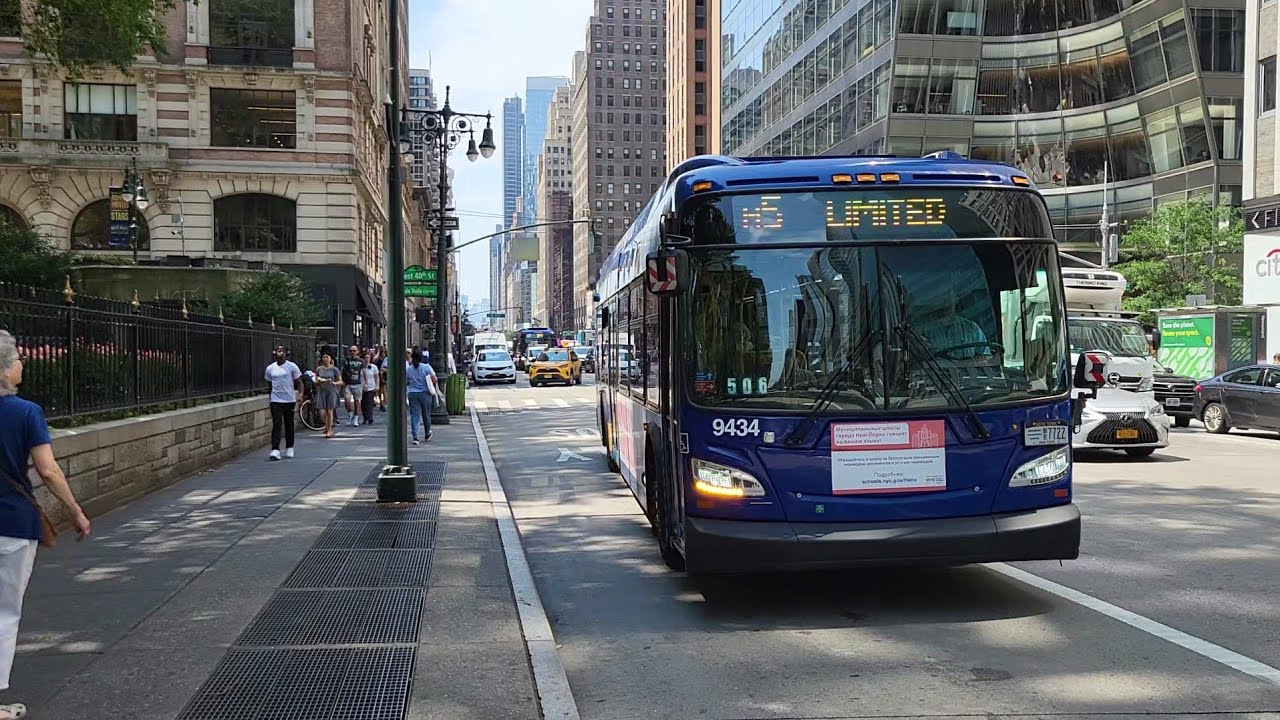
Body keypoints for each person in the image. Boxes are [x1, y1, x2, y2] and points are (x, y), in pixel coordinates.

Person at [0, 331, 91, 719]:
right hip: (11, 524)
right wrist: (75, 511)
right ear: (3, 369)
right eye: (18, 357)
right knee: (4, 612)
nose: (23, 363)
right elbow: (48, 470)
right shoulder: (25, 412)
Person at [918, 289, 990, 360]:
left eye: (949, 299)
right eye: (943, 299)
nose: (946, 304)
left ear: (956, 300)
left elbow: (987, 358)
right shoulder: (924, 330)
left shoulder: (972, 328)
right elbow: (915, 360)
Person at [265, 346, 302, 460]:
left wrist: (300, 395)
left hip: (289, 400)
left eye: (282, 351)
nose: (280, 353)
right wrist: (270, 398)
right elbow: (269, 385)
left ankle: (289, 446)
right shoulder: (270, 368)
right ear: (275, 353)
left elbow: (299, 382)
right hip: (276, 400)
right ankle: (275, 449)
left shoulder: (292, 367)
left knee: (289, 424)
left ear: (286, 354)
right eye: (278, 351)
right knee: (277, 424)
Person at [406, 347, 441, 446]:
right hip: (425, 393)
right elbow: (435, 379)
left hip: (412, 393)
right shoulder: (426, 367)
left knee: (414, 415)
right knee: (426, 414)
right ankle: (427, 433)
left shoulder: (409, 369)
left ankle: (415, 436)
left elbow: (407, 381)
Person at [314, 353, 342, 439]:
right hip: (322, 391)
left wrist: (333, 383)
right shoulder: (319, 369)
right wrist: (319, 381)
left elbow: (340, 381)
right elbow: (316, 381)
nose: (325, 359)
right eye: (324, 357)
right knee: (322, 412)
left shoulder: (334, 369)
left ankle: (329, 430)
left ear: (330, 359)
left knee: (329, 412)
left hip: (331, 391)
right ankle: (326, 425)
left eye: (327, 357)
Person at [340, 345, 365, 427]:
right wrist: (342, 380)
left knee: (357, 401)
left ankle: (356, 418)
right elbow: (342, 371)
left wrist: (365, 382)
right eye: (351, 351)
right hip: (348, 383)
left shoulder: (361, 361)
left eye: (354, 351)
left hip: (357, 383)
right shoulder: (346, 360)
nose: (352, 352)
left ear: (358, 351)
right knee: (347, 400)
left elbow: (364, 372)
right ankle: (350, 413)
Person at [360, 351, 380, 425]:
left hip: (371, 387)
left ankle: (370, 417)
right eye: (365, 358)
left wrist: (377, 385)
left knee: (369, 402)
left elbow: (377, 377)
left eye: (368, 357)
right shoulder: (361, 367)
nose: (367, 359)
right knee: (363, 403)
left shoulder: (374, 367)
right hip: (362, 387)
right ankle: (365, 417)